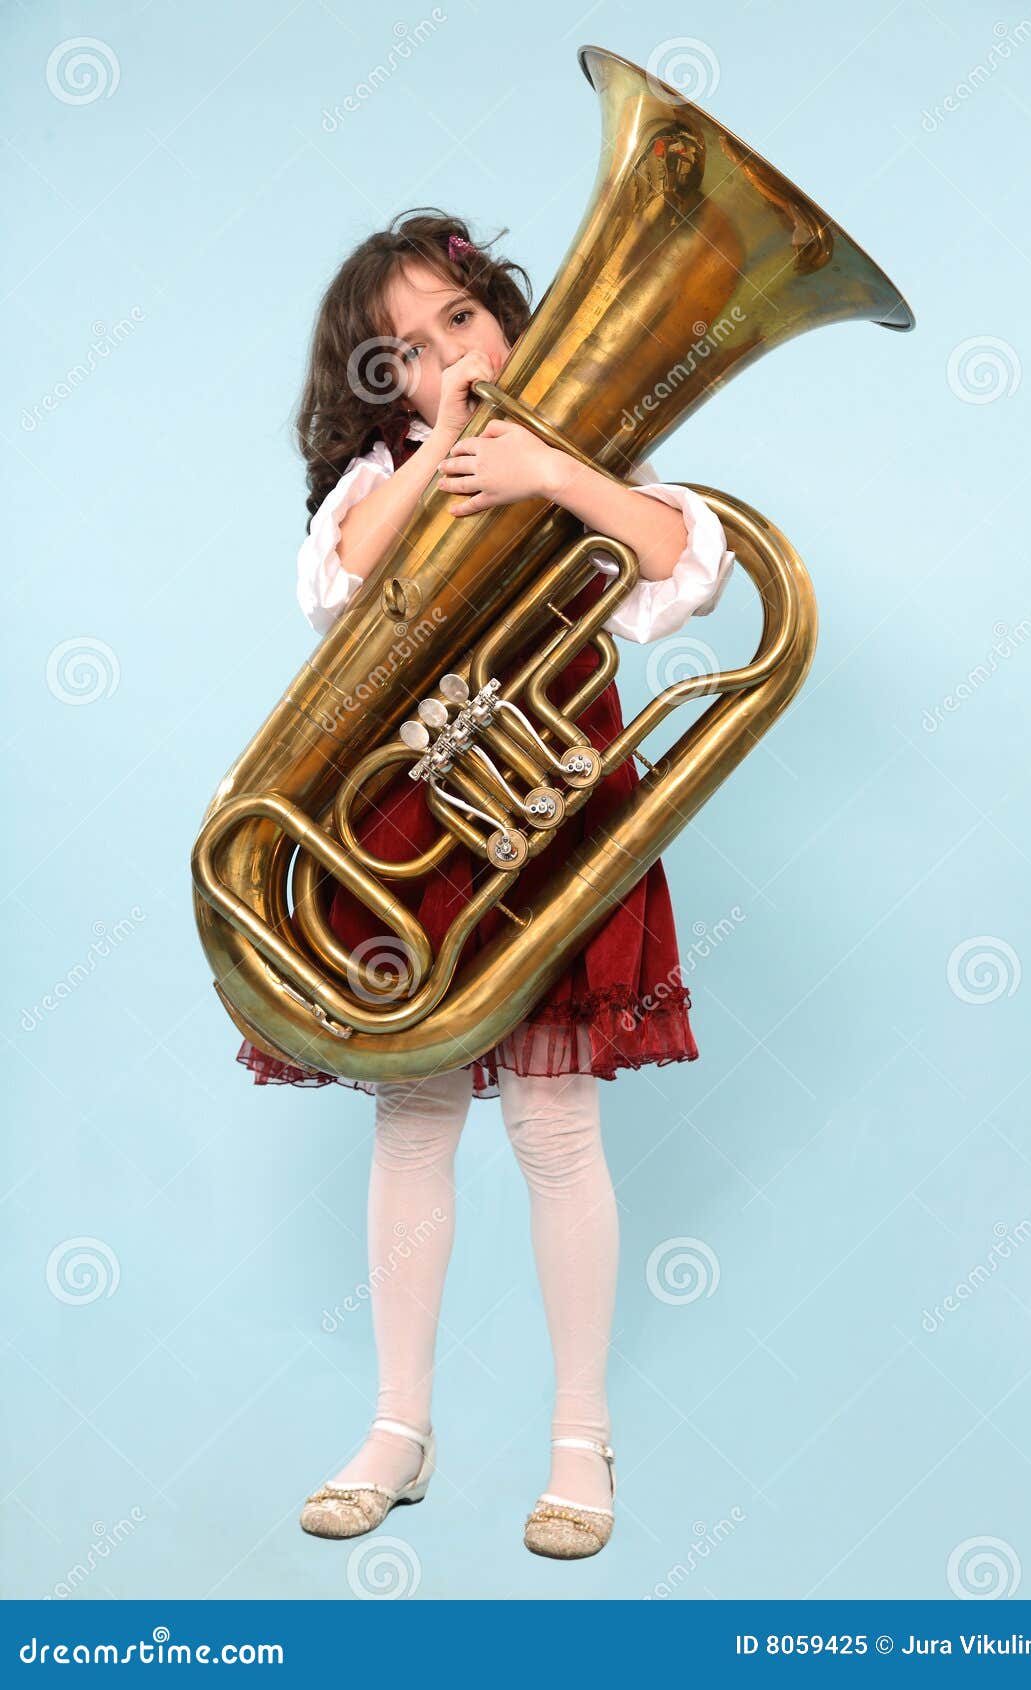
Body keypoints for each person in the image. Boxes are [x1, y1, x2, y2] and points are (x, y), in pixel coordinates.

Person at [239, 210, 735, 1559]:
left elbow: (684, 568)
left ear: (504, 314)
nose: (443, 353)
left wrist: (555, 472)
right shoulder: (386, 477)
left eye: (459, 320)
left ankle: (582, 1434)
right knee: (412, 1119)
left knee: (556, 1129)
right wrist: (447, 446)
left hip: (557, 815)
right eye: (402, 353)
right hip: (415, 829)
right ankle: (399, 1427)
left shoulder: (577, 450)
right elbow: (335, 578)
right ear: (378, 390)